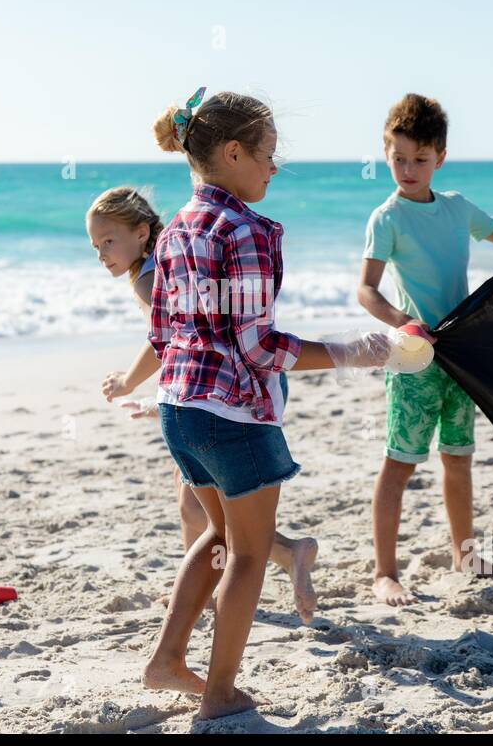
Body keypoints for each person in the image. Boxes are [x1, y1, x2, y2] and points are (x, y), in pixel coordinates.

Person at [141, 87, 389, 719]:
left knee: (219, 537)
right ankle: (220, 693)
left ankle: (169, 660)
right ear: (231, 152)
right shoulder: (243, 229)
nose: (274, 167)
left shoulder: (174, 230)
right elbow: (257, 346)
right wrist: (345, 352)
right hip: (232, 418)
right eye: (268, 154)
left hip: (179, 409)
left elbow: (164, 333)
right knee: (249, 554)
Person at [357, 92, 493, 606]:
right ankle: (385, 572)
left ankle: (464, 553)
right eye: (398, 158)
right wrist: (403, 321)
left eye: (420, 160)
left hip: (463, 353)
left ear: (440, 158)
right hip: (414, 358)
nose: (408, 169)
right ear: (386, 154)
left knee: (458, 458)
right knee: (400, 463)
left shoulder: (455, 209)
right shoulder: (386, 218)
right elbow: (366, 290)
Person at [85, 186, 320, 623]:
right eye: (95, 246)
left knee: (205, 504)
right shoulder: (174, 250)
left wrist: (126, 381)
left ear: (141, 232)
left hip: (223, 390)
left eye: (109, 241)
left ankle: (285, 554)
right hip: (235, 381)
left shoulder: (146, 277)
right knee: (195, 502)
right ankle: (205, 584)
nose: (101, 254)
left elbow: (169, 341)